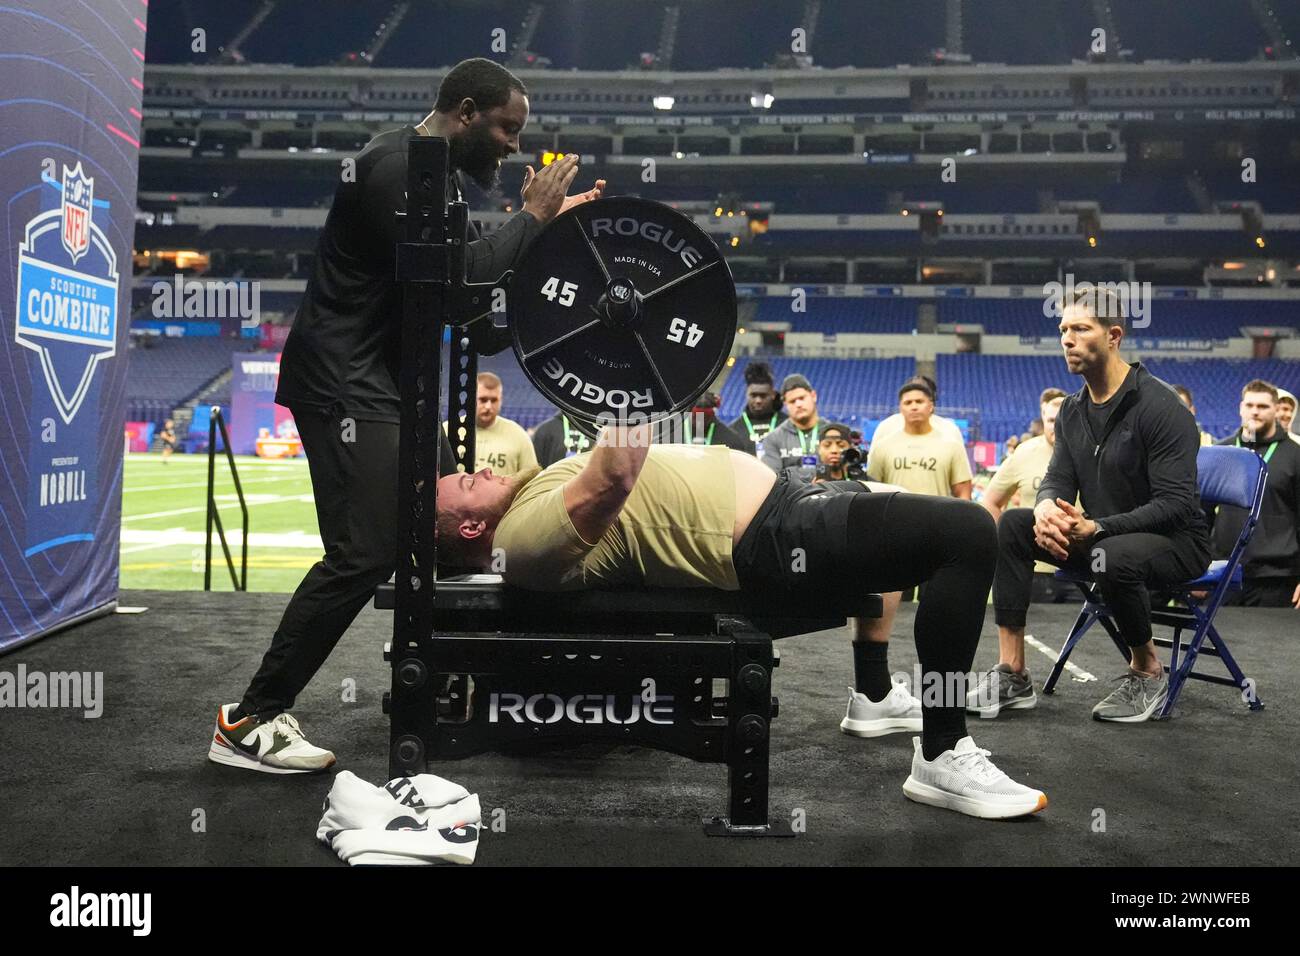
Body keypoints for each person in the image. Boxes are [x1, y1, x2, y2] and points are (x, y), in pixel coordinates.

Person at [209, 58, 605, 773]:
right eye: (507, 129)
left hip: (384, 383)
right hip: (345, 381)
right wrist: (533, 217)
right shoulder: (395, 168)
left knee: (438, 529)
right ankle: (249, 720)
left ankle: (445, 677)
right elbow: (465, 276)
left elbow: (464, 308)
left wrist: (541, 241)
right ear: (463, 110)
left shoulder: (438, 179)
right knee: (364, 552)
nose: (515, 146)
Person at [436, 420, 1047, 820]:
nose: (482, 469)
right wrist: (622, 363)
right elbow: (615, 474)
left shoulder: (528, 499)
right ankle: (941, 752)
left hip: (787, 504)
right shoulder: (516, 541)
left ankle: (875, 694)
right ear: (470, 528)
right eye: (468, 481)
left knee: (900, 519)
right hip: (772, 537)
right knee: (968, 532)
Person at [978, 288, 1210, 723]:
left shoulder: (1162, 408)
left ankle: (1148, 669)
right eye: (1063, 329)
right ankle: (1013, 672)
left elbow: (1177, 505)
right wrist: (1046, 506)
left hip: (1174, 542)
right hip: (1101, 536)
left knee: (1111, 554)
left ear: (1113, 335)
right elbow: (1058, 479)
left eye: (1080, 329)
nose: (1067, 338)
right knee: (1012, 524)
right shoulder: (1071, 410)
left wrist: (1098, 527)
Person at [1211, 380, 1300, 608]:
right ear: (1241, 408)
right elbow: (1200, 516)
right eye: (1250, 405)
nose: (1255, 411)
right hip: (1223, 576)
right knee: (1218, 643)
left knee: (1272, 645)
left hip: (1277, 580)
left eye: (1262, 406)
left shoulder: (1294, 456)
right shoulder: (1221, 453)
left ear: (1275, 410)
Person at [982, 389, 1070, 602]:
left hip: (1082, 569)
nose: (1056, 425)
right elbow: (991, 502)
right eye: (1050, 420)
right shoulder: (1024, 452)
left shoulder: (1093, 453)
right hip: (1034, 570)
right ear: (1042, 420)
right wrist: (1003, 546)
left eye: (1062, 419)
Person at [866, 379, 973, 499]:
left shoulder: (952, 445)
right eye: (908, 403)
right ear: (900, 408)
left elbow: (963, 491)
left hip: (937, 516)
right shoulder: (883, 446)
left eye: (919, 401)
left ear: (931, 406)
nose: (914, 407)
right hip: (894, 516)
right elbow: (872, 488)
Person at [443, 372, 538, 476]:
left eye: (494, 400)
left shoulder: (519, 436)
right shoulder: (448, 430)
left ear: (501, 401)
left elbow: (531, 479)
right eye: (483, 400)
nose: (488, 406)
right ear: (471, 398)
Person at [870, 375, 964, 447]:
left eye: (920, 400)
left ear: (932, 401)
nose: (914, 406)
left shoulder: (949, 430)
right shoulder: (886, 427)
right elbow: (874, 467)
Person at [759, 373, 825, 473]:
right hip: (792, 489)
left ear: (813, 396)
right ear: (786, 405)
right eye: (792, 401)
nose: (798, 404)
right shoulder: (773, 439)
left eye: (802, 398)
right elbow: (771, 478)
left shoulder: (832, 433)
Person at [654, 392, 751, 453]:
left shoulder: (731, 440)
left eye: (706, 418)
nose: (700, 421)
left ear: (713, 415)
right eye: (697, 417)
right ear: (690, 412)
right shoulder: (668, 435)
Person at [728, 361, 785, 458]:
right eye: (753, 395)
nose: (758, 400)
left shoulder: (787, 425)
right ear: (747, 394)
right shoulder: (734, 430)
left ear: (773, 395)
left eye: (763, 396)